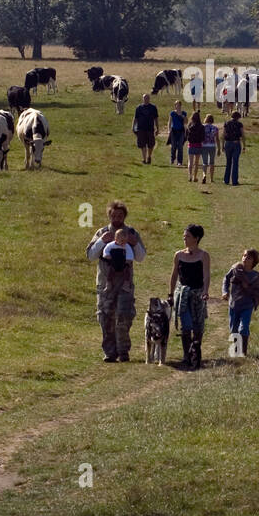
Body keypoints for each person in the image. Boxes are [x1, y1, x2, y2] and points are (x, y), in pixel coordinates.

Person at [86, 201, 147, 362]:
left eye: (120, 215)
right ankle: (110, 352)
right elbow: (91, 255)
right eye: (113, 215)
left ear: (124, 216)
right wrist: (101, 241)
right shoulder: (102, 232)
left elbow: (140, 257)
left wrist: (134, 243)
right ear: (109, 215)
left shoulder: (131, 233)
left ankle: (123, 351)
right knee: (105, 317)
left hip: (125, 285)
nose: (116, 218)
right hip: (105, 283)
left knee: (124, 316)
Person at [169, 224, 211, 369]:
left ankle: (196, 352)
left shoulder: (203, 256)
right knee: (186, 325)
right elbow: (174, 275)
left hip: (198, 294)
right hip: (183, 295)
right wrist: (171, 293)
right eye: (184, 236)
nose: (184, 239)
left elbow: (206, 275)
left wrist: (205, 291)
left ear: (196, 238)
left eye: (187, 236)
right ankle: (186, 355)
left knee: (198, 326)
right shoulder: (179, 255)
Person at [222, 248, 259, 357]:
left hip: (247, 305)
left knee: (243, 327)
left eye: (248, 258)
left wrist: (248, 288)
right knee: (233, 329)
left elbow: (258, 290)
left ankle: (243, 352)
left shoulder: (255, 276)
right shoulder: (235, 269)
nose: (245, 259)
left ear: (254, 261)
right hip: (234, 304)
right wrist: (225, 291)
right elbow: (226, 279)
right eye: (244, 256)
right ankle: (235, 351)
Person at [133, 93, 159, 164]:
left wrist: (157, 128)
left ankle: (149, 156)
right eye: (144, 98)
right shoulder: (139, 108)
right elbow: (135, 118)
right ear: (143, 99)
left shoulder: (153, 107)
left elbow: (156, 118)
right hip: (141, 128)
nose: (146, 99)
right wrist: (133, 127)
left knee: (151, 145)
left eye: (147, 98)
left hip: (150, 129)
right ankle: (144, 159)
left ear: (149, 99)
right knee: (142, 145)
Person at [222, 110, 246, 186]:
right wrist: (244, 145)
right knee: (235, 162)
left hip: (228, 143)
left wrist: (222, 145)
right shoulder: (239, 124)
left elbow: (223, 134)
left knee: (228, 162)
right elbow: (243, 135)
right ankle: (234, 180)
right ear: (238, 117)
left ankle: (226, 180)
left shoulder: (227, 123)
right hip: (236, 143)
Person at [185, 111, 204, 182]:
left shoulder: (189, 126)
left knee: (190, 162)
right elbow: (202, 138)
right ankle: (194, 176)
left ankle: (190, 175)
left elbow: (186, 136)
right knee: (196, 163)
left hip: (191, 145)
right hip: (198, 145)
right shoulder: (201, 127)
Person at [167, 100, 187, 167]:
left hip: (181, 131)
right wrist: (169, 130)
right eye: (176, 105)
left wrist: (183, 117)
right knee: (174, 146)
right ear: (175, 106)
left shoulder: (184, 113)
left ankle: (179, 161)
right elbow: (169, 122)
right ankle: (172, 158)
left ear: (181, 106)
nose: (177, 106)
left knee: (180, 146)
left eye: (178, 105)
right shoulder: (172, 113)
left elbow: (186, 122)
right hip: (174, 131)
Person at [201, 113, 219, 185]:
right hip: (212, 146)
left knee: (204, 162)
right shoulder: (215, 128)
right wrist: (219, 148)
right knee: (212, 162)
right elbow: (217, 139)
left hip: (204, 145)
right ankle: (211, 178)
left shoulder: (202, 127)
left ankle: (204, 175)